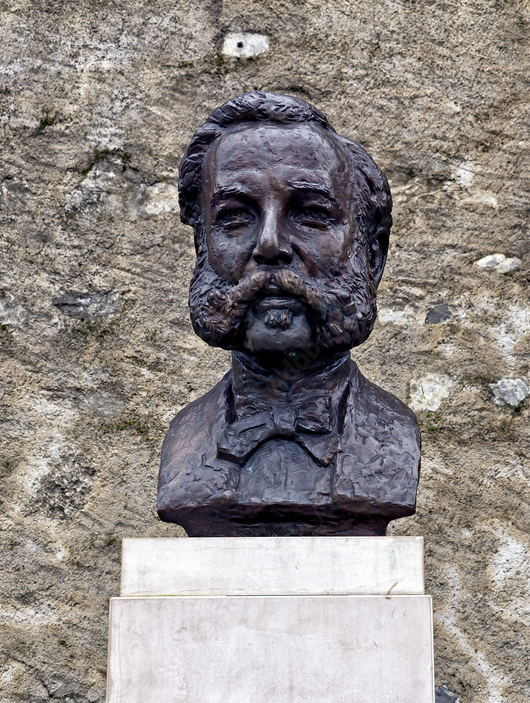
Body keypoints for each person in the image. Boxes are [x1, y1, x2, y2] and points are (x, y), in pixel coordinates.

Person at [157, 91, 420, 536]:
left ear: (371, 256)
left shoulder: (392, 437)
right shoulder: (185, 443)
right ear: (202, 247)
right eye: (236, 216)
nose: (270, 246)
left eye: (312, 215)